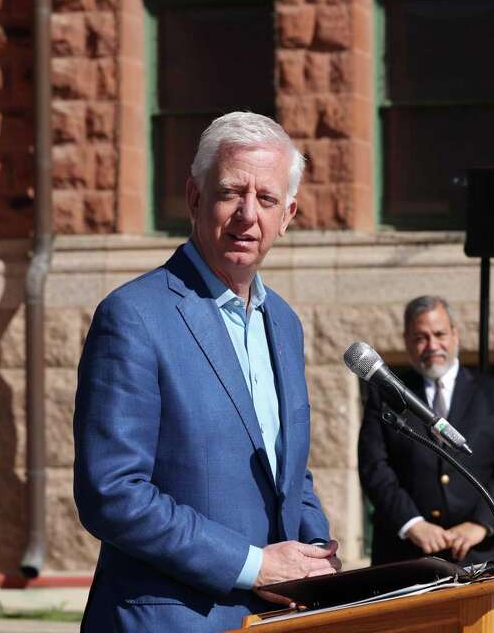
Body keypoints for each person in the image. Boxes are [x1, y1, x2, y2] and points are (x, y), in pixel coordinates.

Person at [73, 112, 340, 631]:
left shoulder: (283, 322)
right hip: (172, 618)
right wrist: (255, 565)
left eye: (266, 200)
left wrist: (315, 558)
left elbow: (289, 473)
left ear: (287, 216)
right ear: (195, 199)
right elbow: (112, 491)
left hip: (275, 618)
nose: (247, 215)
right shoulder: (134, 316)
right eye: (231, 193)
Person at [358, 296, 494, 566]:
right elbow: (373, 467)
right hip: (404, 555)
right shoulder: (385, 396)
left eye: (439, 334)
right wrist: (411, 523)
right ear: (406, 341)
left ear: (455, 335)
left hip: (479, 553)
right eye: (421, 337)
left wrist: (480, 524)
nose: (432, 345)